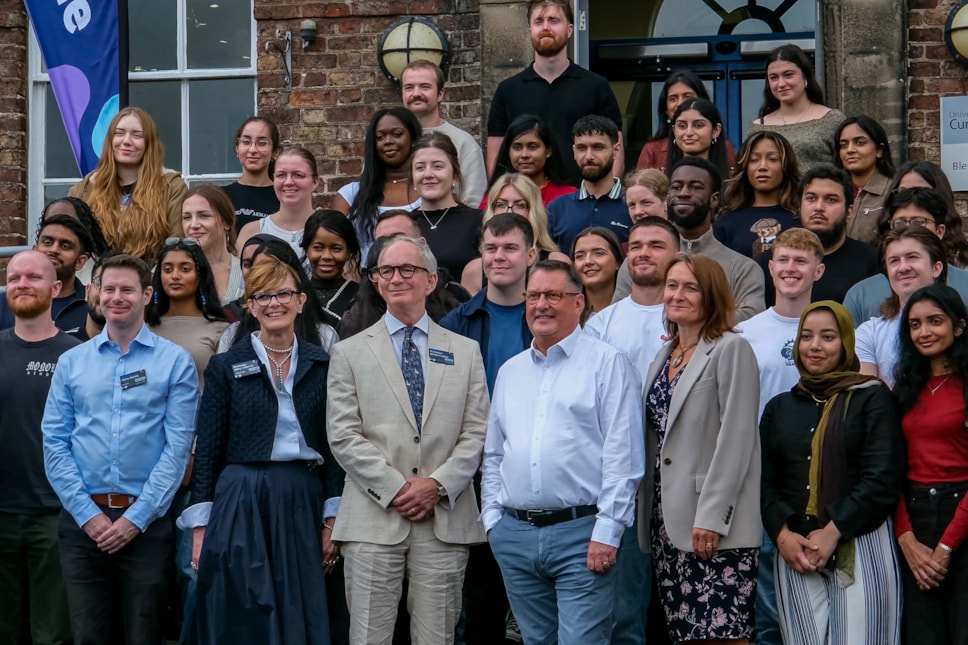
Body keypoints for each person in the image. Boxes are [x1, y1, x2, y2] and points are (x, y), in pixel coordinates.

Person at [326, 235, 489, 645]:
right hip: (373, 518)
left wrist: (436, 485)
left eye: (408, 269)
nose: (396, 278)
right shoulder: (349, 353)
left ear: (431, 280)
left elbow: (477, 432)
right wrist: (398, 488)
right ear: (377, 282)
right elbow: (343, 435)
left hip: (443, 520)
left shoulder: (466, 352)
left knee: (437, 638)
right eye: (386, 271)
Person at [177, 256, 343, 644]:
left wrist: (332, 520)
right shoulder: (225, 366)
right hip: (240, 500)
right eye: (263, 295)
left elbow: (336, 448)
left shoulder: (324, 365)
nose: (274, 304)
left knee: (298, 605)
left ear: (301, 301)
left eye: (284, 293)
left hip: (302, 498)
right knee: (242, 608)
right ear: (250, 306)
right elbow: (209, 451)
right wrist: (201, 528)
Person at [481, 259, 644, 644]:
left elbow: (625, 457)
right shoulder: (511, 371)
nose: (542, 304)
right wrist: (493, 522)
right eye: (533, 295)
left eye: (554, 295)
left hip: (583, 534)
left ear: (578, 303)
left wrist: (608, 530)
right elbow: (494, 455)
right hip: (516, 535)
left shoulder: (607, 364)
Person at [42, 253, 199, 644]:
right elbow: (55, 442)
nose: (116, 297)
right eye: (108, 288)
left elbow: (177, 449)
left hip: (146, 524)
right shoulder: (71, 363)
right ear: (95, 292)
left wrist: (136, 519)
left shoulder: (175, 363)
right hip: (82, 524)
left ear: (147, 294)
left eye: (127, 289)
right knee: (88, 635)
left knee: (144, 633)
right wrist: (87, 515)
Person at [760, 300, 903, 645]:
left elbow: (882, 476)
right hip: (796, 549)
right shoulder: (780, 407)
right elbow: (764, 480)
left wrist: (833, 532)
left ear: (846, 344)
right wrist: (783, 536)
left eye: (828, 337)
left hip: (861, 541)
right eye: (806, 337)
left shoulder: (871, 399)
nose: (815, 346)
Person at [640, 254, 762, 643]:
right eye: (672, 285)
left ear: (711, 295)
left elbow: (737, 437)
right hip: (667, 520)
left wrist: (712, 516)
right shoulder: (665, 356)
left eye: (690, 287)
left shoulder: (730, 349)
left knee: (722, 635)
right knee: (687, 634)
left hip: (712, 524)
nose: (677, 294)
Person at [439, 213, 536, 644]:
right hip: (475, 472)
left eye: (510, 248)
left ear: (531, 254)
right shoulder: (457, 323)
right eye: (491, 248)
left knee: (535, 608)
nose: (499, 257)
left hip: (537, 467)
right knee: (479, 600)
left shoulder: (551, 315)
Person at [582, 216, 679, 643]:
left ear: (677, 255)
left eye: (656, 245)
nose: (643, 252)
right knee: (626, 607)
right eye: (636, 244)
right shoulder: (602, 324)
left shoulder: (689, 317)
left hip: (679, 469)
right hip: (622, 472)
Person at [735, 228, 826, 645]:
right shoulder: (746, 334)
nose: (791, 269)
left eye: (801, 261)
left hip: (823, 474)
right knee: (769, 603)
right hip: (763, 474)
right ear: (770, 269)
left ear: (818, 270)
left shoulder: (835, 330)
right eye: (784, 260)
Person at [0, 251, 79, 645]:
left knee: (52, 635)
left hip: (57, 514)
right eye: (14, 278)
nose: (22, 284)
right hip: (1, 513)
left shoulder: (77, 356)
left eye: (33, 277)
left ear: (56, 287)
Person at [893, 284, 968, 645]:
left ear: (959, 326)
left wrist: (946, 547)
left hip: (964, 519)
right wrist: (906, 538)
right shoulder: (904, 389)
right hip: (915, 517)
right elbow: (891, 470)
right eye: (915, 324)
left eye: (935, 321)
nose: (923, 332)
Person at [486, 0, 624, 184]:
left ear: (569, 29)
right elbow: (496, 158)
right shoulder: (508, 90)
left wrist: (607, 195)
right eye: (538, 21)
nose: (545, 27)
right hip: (524, 200)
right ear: (530, 31)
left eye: (553, 20)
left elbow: (615, 147)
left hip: (582, 199)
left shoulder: (596, 87)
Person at [616, 157, 765, 321]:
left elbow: (751, 321)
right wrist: (721, 312)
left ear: (714, 199)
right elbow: (619, 318)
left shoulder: (742, 269)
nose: (683, 193)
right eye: (676, 187)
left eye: (695, 187)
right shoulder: (639, 261)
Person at [844, 162, 968, 324]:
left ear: (940, 230)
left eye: (919, 222)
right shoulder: (861, 294)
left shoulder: (964, 284)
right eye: (900, 223)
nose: (909, 230)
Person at [69, 106, 188, 264]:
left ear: (149, 143)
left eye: (137, 135)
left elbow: (176, 247)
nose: (126, 141)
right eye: (119, 133)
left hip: (150, 282)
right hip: (95, 284)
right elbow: (71, 246)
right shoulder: (82, 191)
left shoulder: (172, 187)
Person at [757, 164, 879, 306]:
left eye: (831, 200)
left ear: (849, 211)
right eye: (811, 198)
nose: (819, 207)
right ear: (800, 206)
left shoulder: (870, 262)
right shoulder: (772, 260)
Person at [857, 226, 948, 387]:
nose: (903, 267)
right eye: (894, 261)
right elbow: (869, 401)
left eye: (912, 257)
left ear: (936, 268)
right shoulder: (868, 334)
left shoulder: (959, 324)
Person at [220, 236, 339, 354]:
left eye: (266, 265)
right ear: (251, 306)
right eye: (247, 264)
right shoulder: (231, 333)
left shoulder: (325, 335)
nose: (255, 271)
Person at [334, 107, 423, 260]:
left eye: (397, 134)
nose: (388, 141)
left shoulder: (428, 191)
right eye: (380, 137)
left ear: (413, 139)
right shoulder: (350, 195)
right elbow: (334, 244)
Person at [463, 172, 568, 294]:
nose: (509, 211)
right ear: (491, 210)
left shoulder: (558, 263)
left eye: (520, 205)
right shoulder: (474, 271)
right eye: (501, 204)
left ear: (534, 211)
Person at [146, 238, 230, 388]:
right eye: (167, 269)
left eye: (185, 269)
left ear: (200, 275)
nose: (175, 276)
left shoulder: (221, 330)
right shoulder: (144, 329)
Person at [401, 59, 487, 206]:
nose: (416, 93)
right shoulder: (389, 144)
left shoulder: (463, 143)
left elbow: (474, 201)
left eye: (425, 87)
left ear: (440, 94)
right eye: (409, 87)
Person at [749, 44, 846, 172]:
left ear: (805, 76)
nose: (781, 84)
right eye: (773, 78)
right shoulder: (758, 127)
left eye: (788, 75)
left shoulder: (832, 119)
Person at [547, 114, 632, 256]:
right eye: (581, 148)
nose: (588, 156)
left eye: (598, 147)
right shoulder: (557, 209)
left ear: (616, 150)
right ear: (574, 152)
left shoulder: (633, 204)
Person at [0, 214, 94, 334]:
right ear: (34, 250)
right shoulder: (5, 303)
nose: (54, 250)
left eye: (65, 246)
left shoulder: (93, 306)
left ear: (80, 261)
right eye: (48, 242)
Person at [714, 130, 800, 259]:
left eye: (772, 159)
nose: (762, 166)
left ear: (786, 166)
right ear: (745, 167)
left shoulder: (801, 218)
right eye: (754, 160)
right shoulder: (727, 222)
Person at [411, 132, 483, 281]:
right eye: (420, 168)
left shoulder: (478, 221)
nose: (428, 174)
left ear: (455, 176)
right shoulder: (404, 223)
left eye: (438, 166)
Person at [238, 146, 321, 257]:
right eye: (281, 175)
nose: (288, 182)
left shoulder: (330, 230)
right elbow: (237, 274)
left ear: (315, 181)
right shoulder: (252, 232)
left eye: (298, 175)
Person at [483, 114, 577, 207]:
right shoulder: (495, 198)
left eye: (532, 147)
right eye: (517, 147)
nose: (524, 155)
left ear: (548, 150)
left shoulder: (568, 197)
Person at [181, 184, 245, 305]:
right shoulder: (167, 271)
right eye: (187, 217)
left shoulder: (247, 274)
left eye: (204, 216)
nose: (193, 225)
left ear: (226, 222)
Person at [837, 115, 896, 246]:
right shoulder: (833, 191)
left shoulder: (894, 191)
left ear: (879, 150)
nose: (850, 150)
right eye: (843, 145)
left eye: (860, 143)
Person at [301, 209, 362, 329]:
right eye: (318, 248)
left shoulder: (361, 297)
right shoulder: (294, 294)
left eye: (336, 248)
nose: (327, 256)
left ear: (348, 252)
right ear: (307, 250)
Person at [222, 116, 282, 231]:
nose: (252, 150)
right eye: (246, 142)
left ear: (275, 151)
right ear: (237, 148)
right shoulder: (221, 197)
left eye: (262, 143)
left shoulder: (283, 198)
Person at [665, 97, 732, 182]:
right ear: (674, 131)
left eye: (698, 125)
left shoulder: (733, 186)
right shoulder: (661, 184)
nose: (689, 133)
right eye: (682, 126)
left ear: (715, 131)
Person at [572, 226, 624, 316]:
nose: (588, 261)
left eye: (598, 253)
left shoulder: (633, 312)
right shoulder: (566, 315)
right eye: (580, 256)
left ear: (618, 262)